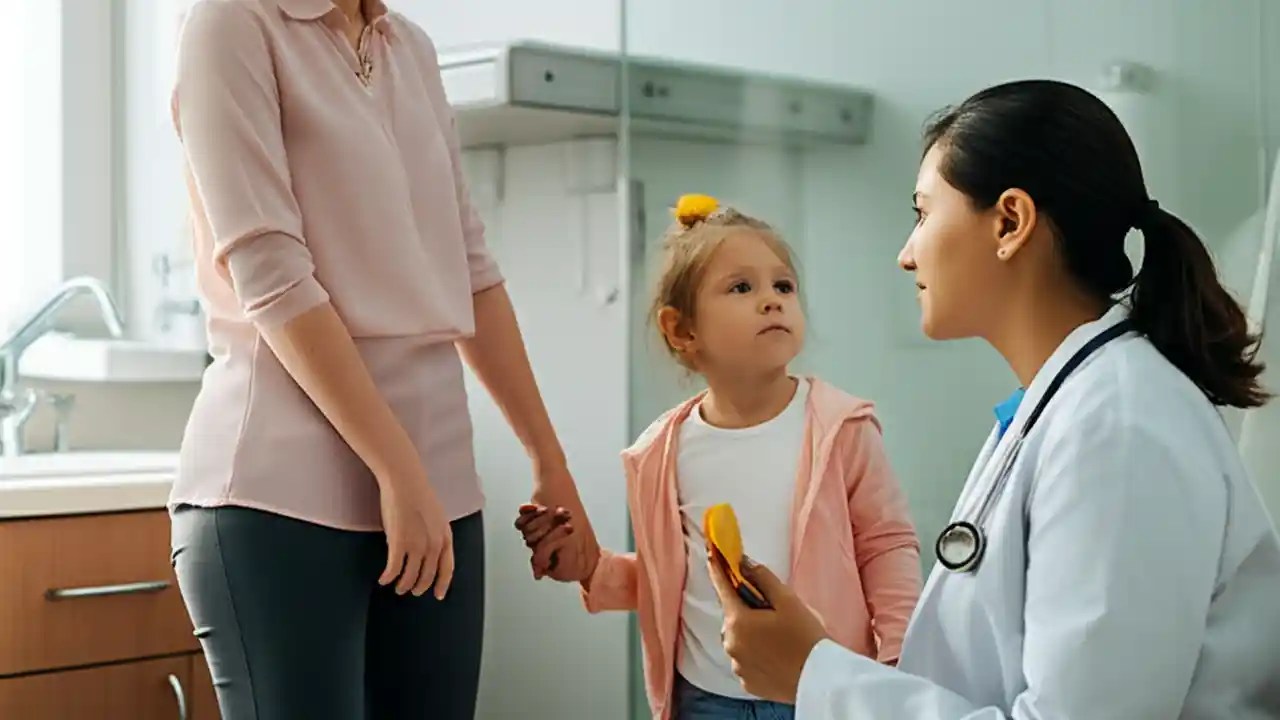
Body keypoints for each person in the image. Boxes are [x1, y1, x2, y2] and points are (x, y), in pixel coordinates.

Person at [699, 79, 1280, 719]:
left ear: (1009, 222)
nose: (906, 255)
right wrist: (817, 668)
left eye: (922, 214)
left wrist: (815, 677)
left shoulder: (1118, 426)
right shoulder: (1071, 406)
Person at [165, 1, 597, 717]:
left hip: (439, 493)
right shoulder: (231, 22)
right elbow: (271, 274)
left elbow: (470, 270)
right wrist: (397, 469)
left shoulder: (408, 47)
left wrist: (549, 463)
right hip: (280, 499)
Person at [517, 194, 922, 720]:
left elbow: (887, 546)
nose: (771, 300)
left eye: (783, 286)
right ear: (682, 331)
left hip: (820, 692)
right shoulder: (660, 452)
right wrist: (592, 568)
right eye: (741, 287)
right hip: (705, 700)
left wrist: (899, 663)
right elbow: (673, 577)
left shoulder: (842, 428)